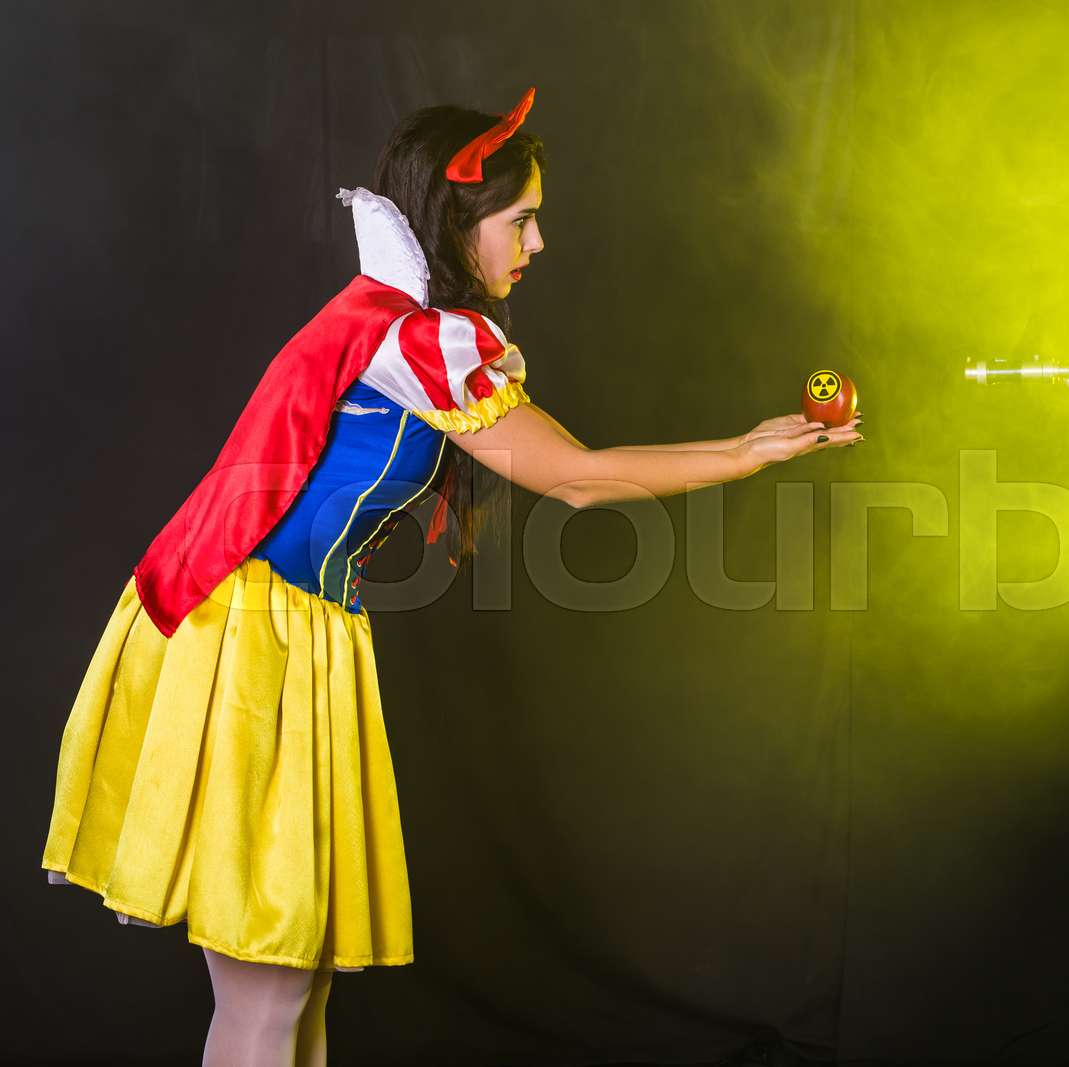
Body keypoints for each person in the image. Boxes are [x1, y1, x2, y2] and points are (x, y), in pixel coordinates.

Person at [40, 87, 862, 1067]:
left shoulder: (387, 323)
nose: (538, 243)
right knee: (270, 982)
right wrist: (745, 450)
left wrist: (744, 447)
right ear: (456, 222)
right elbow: (578, 479)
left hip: (288, 629)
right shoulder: (406, 339)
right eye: (521, 220)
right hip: (246, 632)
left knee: (291, 986)